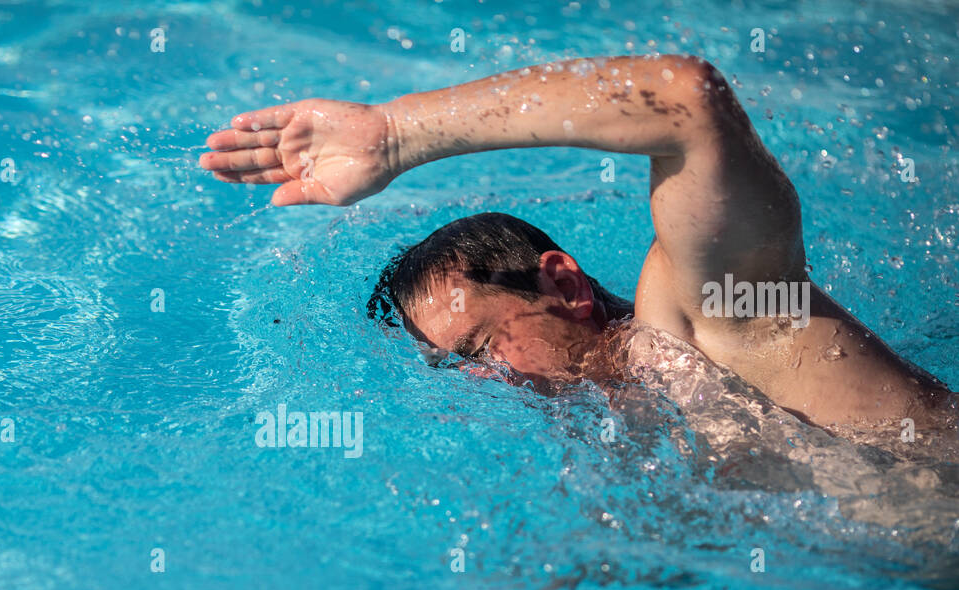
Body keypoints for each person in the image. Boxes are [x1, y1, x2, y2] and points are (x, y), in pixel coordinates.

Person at [199, 55, 956, 451]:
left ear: (563, 284)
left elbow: (690, 105)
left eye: (485, 343)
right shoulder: (619, 434)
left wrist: (397, 135)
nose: (489, 381)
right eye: (462, 367)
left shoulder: (708, 319)